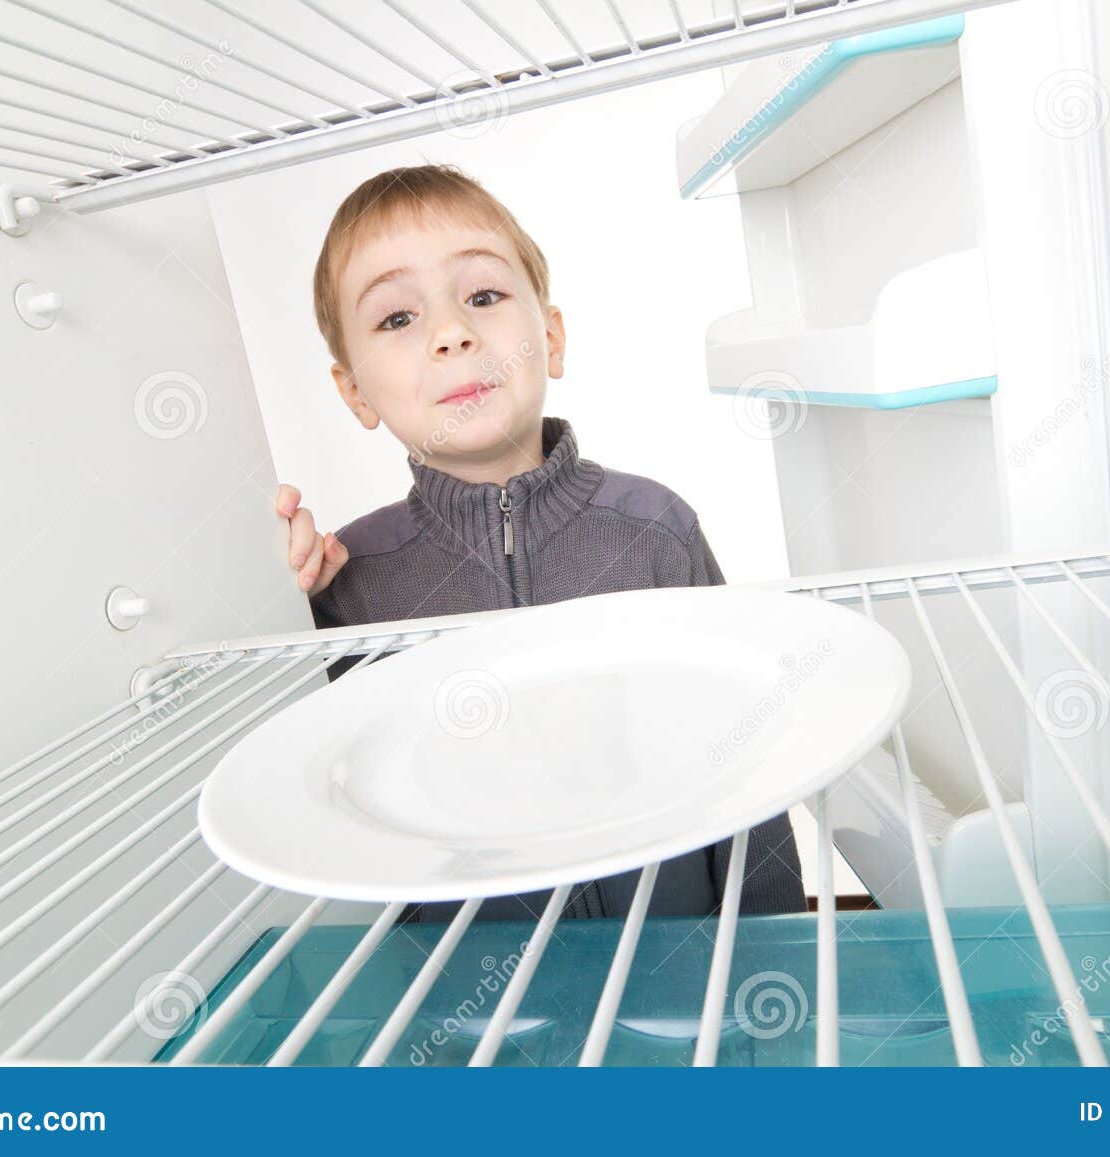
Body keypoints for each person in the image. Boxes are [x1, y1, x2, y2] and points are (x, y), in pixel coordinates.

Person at [273, 163, 805, 924]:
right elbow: (326, 808)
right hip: (463, 1013)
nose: (453, 333)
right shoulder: (348, 584)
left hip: (678, 975)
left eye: (483, 297)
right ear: (354, 390)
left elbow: (748, 766)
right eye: (397, 319)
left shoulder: (657, 530)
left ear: (549, 337)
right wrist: (276, 601)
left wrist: (770, 959)